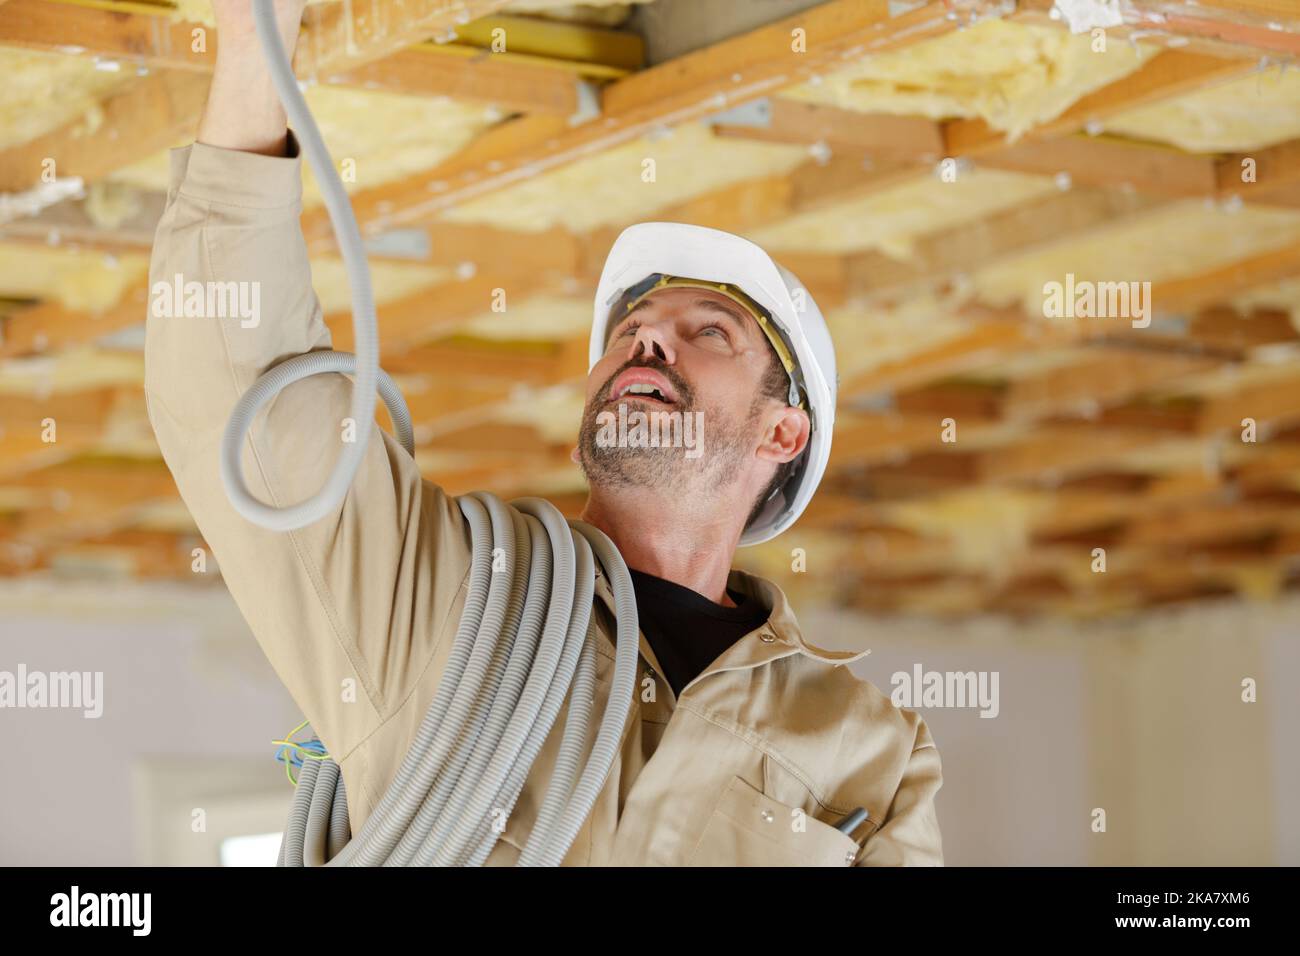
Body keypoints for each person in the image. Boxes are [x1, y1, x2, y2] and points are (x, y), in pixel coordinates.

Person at [145, 0, 944, 865]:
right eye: (631, 328)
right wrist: (255, 33)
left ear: (782, 434)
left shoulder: (867, 746)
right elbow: (238, 378)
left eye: (709, 331)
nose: (648, 337)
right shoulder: (446, 598)